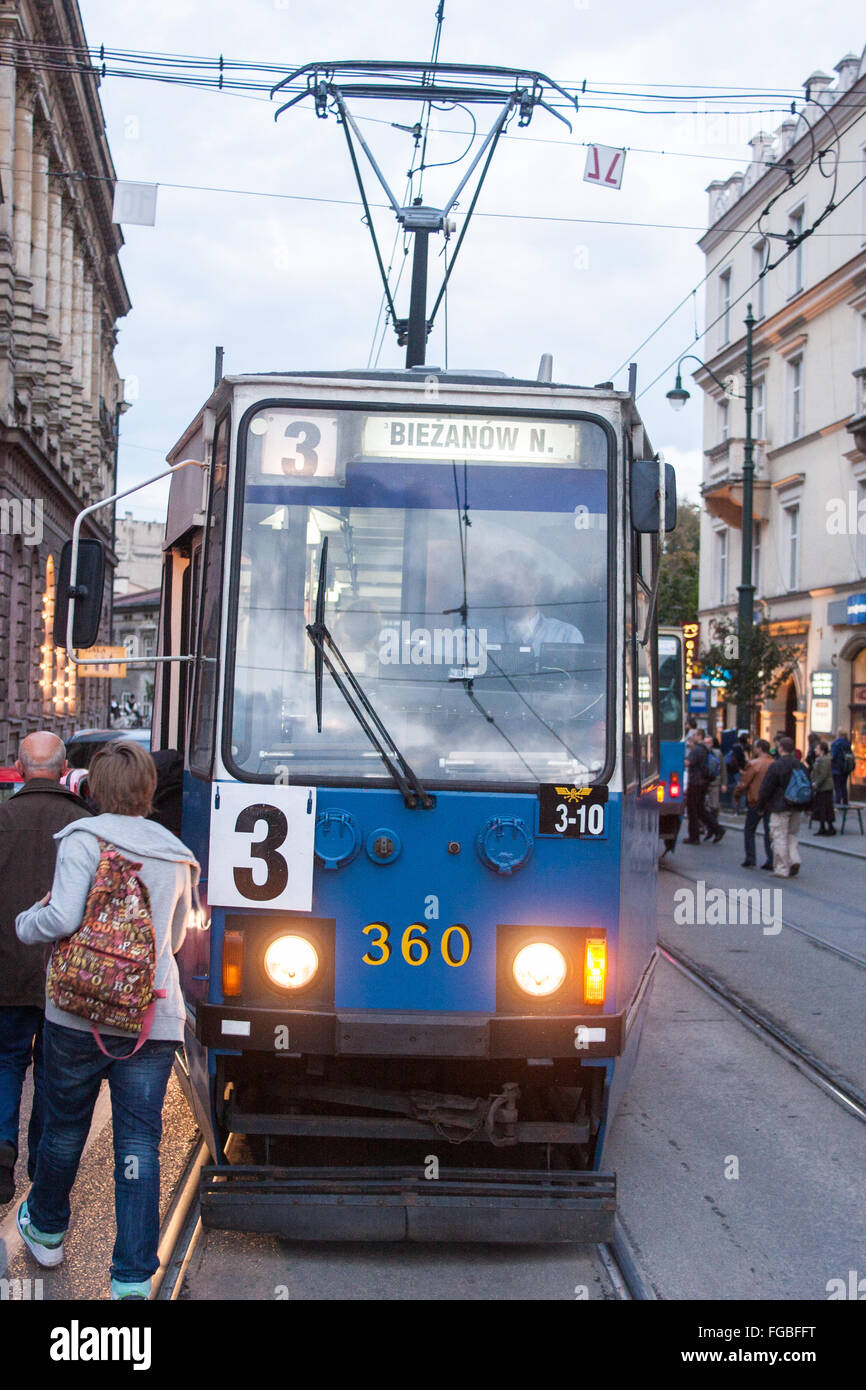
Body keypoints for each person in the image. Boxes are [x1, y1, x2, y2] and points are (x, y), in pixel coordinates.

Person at [15, 740, 200, 1300]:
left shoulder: (82, 840)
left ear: (93, 789)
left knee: (65, 1124)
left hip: (76, 1014)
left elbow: (63, 916)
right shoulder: (176, 853)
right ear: (148, 790)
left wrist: (27, 923)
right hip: (150, 1019)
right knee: (140, 1140)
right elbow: (171, 941)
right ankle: (131, 1277)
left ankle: (46, 1227)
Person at [0, 733, 91, 1206]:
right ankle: (42, 1164)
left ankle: (1, 1143)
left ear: (18, 767)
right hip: (66, 977)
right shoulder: (85, 825)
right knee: (54, 1070)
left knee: (6, 1060)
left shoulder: (2, 817)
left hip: (6, 970)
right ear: (64, 769)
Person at [485, 550, 584, 656]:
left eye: (512, 585)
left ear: (535, 585)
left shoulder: (566, 637)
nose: (504, 593)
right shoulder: (480, 636)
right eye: (500, 585)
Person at [756, 735, 810, 878]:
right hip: (797, 805)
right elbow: (808, 786)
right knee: (791, 835)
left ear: (780, 748)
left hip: (780, 806)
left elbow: (766, 788)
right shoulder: (800, 765)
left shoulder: (777, 765)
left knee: (778, 836)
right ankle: (794, 859)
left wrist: (760, 807)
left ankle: (781, 868)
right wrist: (808, 807)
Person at [733, 738, 774, 868]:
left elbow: (744, 783)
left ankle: (751, 858)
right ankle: (771, 859)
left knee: (749, 830)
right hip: (770, 802)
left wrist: (737, 795)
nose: (754, 749)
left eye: (755, 747)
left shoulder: (754, 764)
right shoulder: (774, 763)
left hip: (755, 801)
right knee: (769, 831)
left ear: (760, 749)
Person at [684, 730, 724, 844]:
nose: (692, 737)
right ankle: (717, 829)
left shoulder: (697, 749)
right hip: (703, 782)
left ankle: (694, 837)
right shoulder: (705, 749)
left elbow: (688, 763)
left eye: (694, 735)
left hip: (696, 782)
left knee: (692, 809)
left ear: (699, 736)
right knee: (700, 809)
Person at [811, 740, 836, 836]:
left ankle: (830, 828)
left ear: (822, 750)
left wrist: (816, 783)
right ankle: (823, 827)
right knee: (821, 807)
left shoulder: (824, 760)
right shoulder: (820, 759)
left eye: (817, 748)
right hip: (822, 787)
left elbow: (823, 774)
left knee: (825, 807)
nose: (815, 750)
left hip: (825, 787)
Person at [830, 728, 853, 805]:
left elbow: (833, 756)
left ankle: (837, 801)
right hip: (846, 768)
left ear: (838, 734)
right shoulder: (848, 743)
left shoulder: (836, 743)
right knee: (843, 785)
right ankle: (845, 802)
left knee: (837, 786)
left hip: (836, 768)